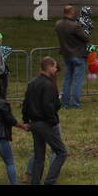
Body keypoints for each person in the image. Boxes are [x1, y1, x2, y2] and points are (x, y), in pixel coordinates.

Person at [23, 56, 68, 184]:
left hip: (34, 123)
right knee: (61, 152)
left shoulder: (32, 83)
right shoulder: (48, 85)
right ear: (48, 67)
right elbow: (48, 106)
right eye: (54, 67)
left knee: (39, 156)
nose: (55, 69)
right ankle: (50, 181)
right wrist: (53, 121)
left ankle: (35, 181)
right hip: (45, 124)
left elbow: (25, 104)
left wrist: (26, 121)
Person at [54, 5, 90, 109]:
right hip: (78, 55)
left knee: (67, 79)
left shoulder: (58, 24)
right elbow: (85, 37)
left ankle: (65, 104)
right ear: (71, 12)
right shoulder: (75, 26)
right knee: (78, 81)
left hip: (66, 55)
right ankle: (76, 104)